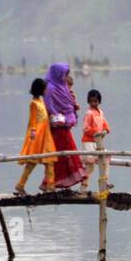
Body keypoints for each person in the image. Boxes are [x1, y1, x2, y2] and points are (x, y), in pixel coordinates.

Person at [44, 62, 87, 191]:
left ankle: (62, 184)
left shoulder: (62, 87)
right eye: (63, 75)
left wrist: (71, 110)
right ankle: (51, 184)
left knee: (67, 155)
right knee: (61, 155)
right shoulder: (50, 89)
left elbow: (68, 104)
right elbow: (49, 108)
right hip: (57, 128)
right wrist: (60, 117)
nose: (64, 78)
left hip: (65, 126)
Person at [14, 77, 55, 195]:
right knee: (32, 162)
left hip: (46, 135)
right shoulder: (33, 103)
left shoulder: (41, 101)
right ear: (40, 90)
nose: (46, 91)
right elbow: (32, 120)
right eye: (45, 89)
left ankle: (50, 187)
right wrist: (32, 133)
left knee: (50, 160)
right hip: (37, 136)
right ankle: (20, 185)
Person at [80, 88, 110, 191]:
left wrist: (105, 130)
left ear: (99, 101)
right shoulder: (89, 113)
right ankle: (83, 188)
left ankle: (105, 182)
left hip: (98, 143)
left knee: (105, 159)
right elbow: (85, 128)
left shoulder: (100, 112)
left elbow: (105, 125)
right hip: (88, 142)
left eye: (95, 101)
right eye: (91, 101)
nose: (93, 103)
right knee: (90, 166)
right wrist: (96, 133)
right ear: (88, 101)